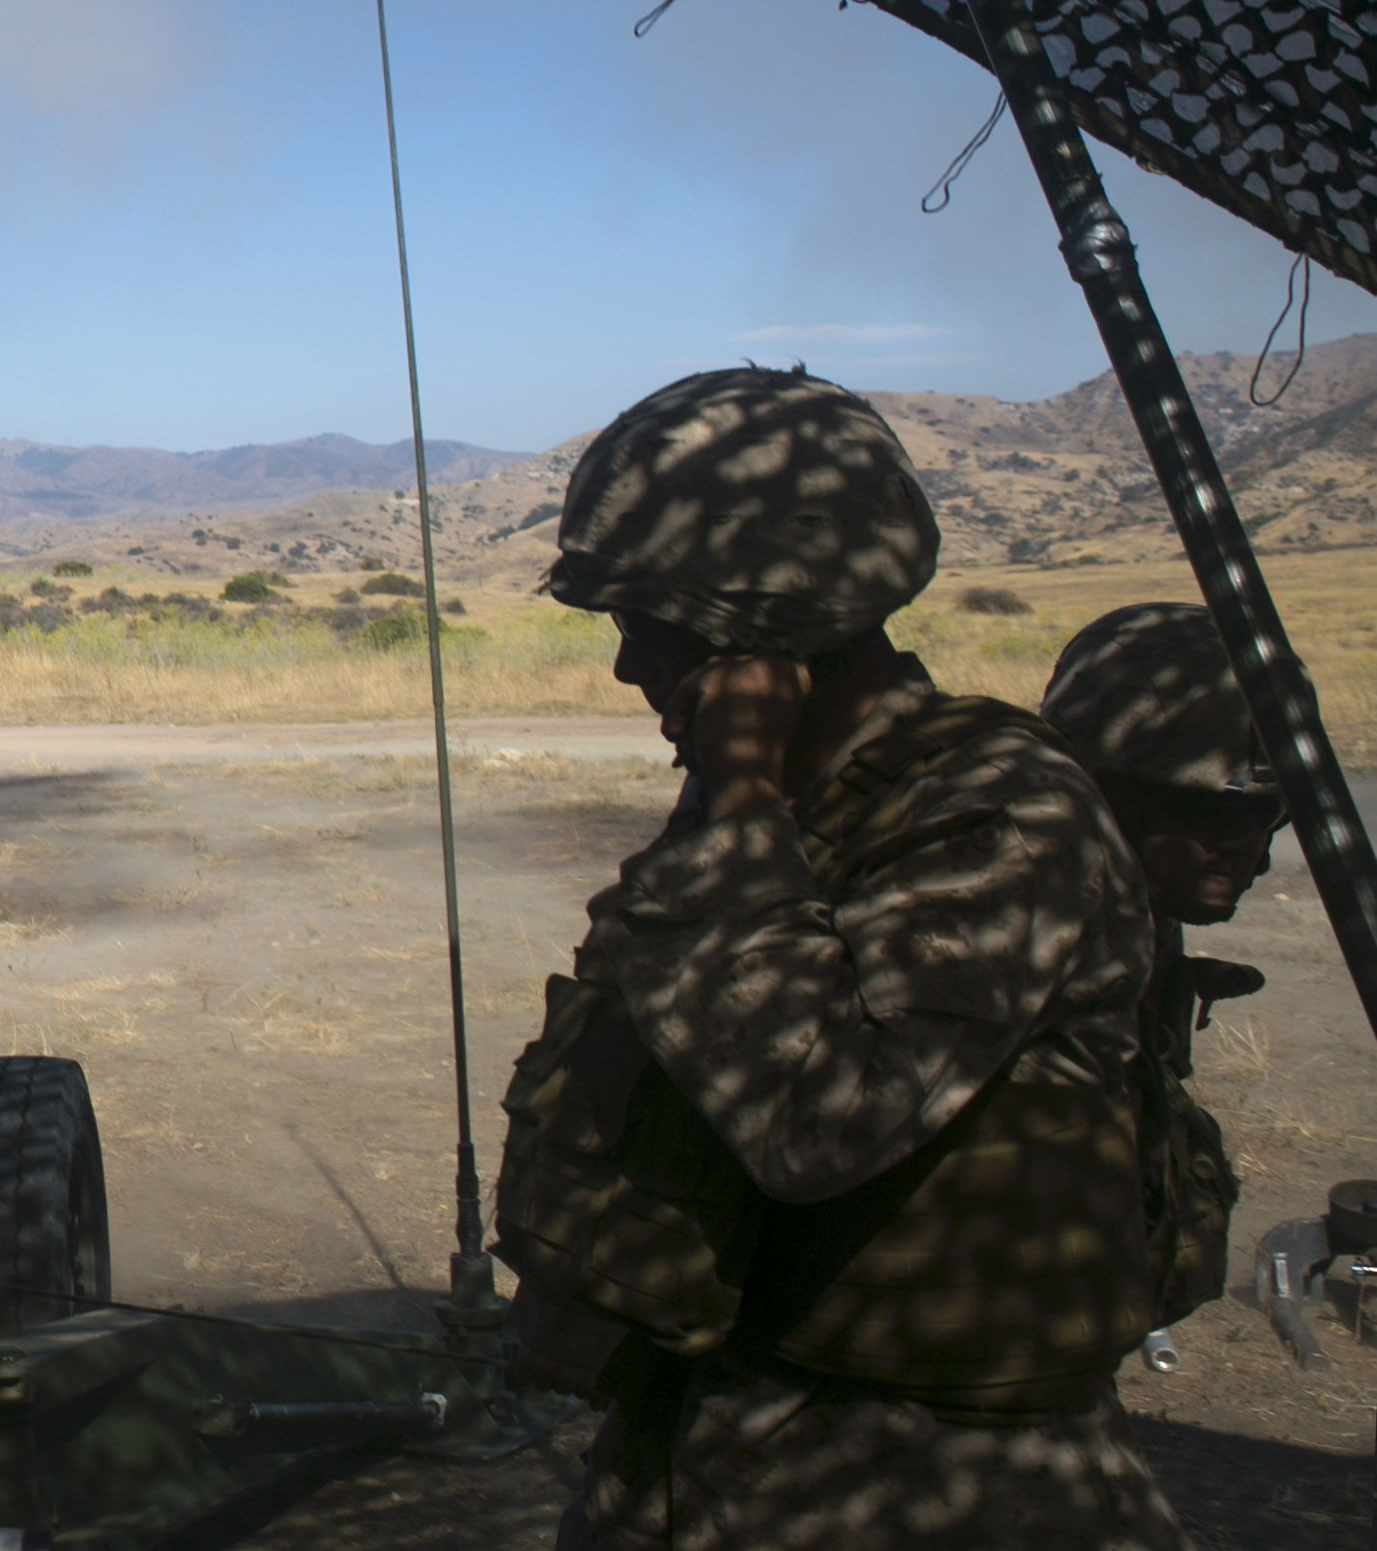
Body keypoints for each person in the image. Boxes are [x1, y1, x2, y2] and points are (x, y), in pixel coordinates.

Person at [492, 369, 1186, 1550]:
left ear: (760, 639)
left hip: (933, 1480)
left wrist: (746, 799)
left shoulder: (1003, 813)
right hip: (714, 1440)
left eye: (647, 628)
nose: (624, 669)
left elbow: (819, 1112)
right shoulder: (785, 806)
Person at [1038, 603, 1281, 1330]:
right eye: (1210, 812)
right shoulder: (1033, 939)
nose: (1252, 848)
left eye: (1273, 814)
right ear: (1107, 792)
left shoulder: (1134, 905)